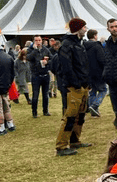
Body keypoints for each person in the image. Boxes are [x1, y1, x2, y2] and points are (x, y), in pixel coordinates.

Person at [55, 18, 91, 157]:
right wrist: (76, 83)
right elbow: (66, 67)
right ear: (78, 28)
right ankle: (61, 146)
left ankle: (75, 140)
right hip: (73, 87)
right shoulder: (67, 44)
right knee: (70, 116)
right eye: (84, 27)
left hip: (82, 86)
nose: (86, 29)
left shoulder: (79, 44)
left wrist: (86, 82)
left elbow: (83, 66)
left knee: (80, 115)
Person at [27, 34, 52, 118]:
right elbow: (29, 58)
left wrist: (47, 62)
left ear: (42, 41)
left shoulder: (46, 50)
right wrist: (35, 50)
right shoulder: (30, 50)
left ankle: (45, 111)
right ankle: (34, 112)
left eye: (39, 40)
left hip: (45, 74)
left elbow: (52, 59)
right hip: (36, 75)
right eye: (36, 40)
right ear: (34, 41)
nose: (38, 42)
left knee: (45, 94)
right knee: (35, 95)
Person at [84, 29, 107, 117]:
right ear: (95, 36)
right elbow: (102, 60)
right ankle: (95, 105)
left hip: (88, 73)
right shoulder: (97, 46)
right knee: (103, 90)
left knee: (92, 91)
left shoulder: (84, 46)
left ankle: (93, 111)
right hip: (98, 72)